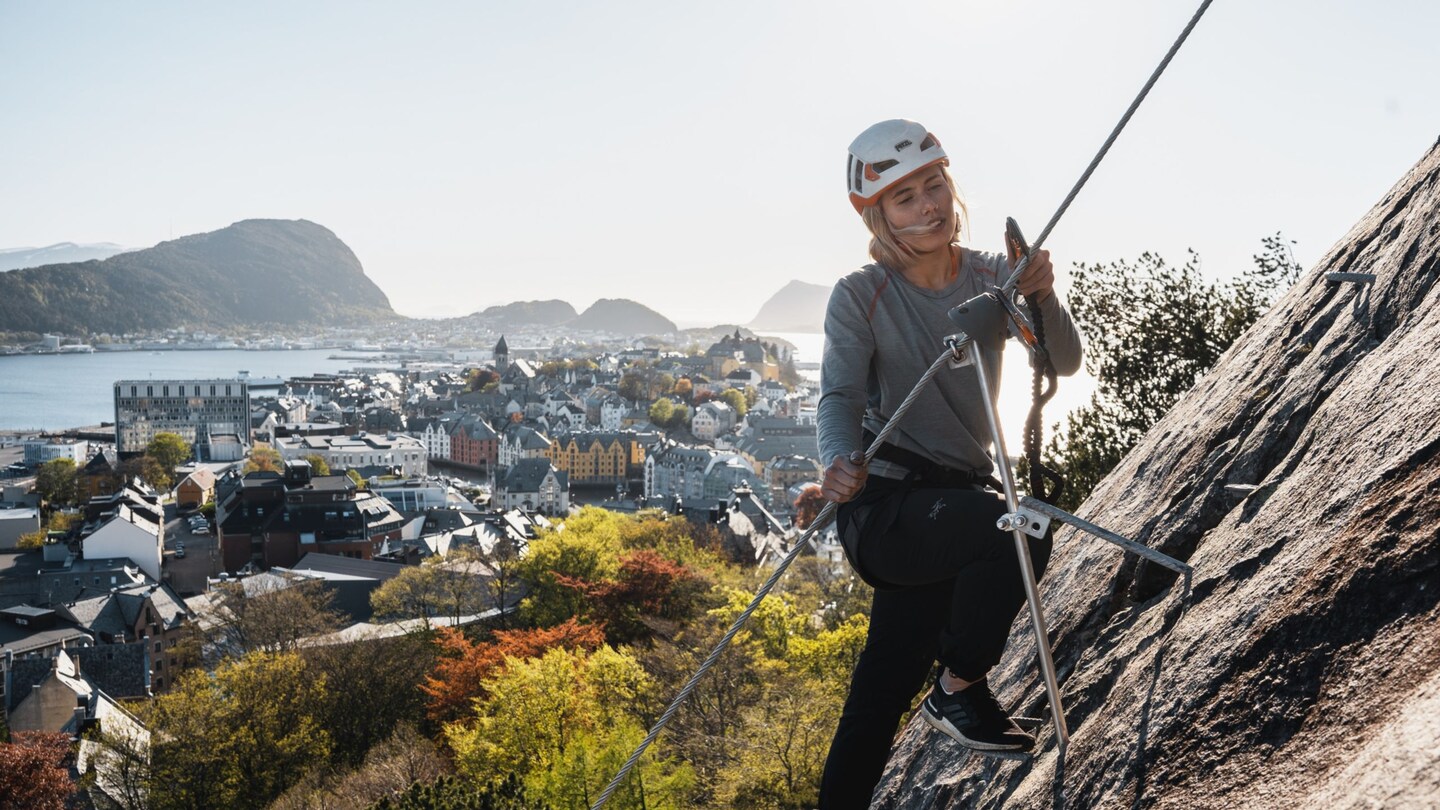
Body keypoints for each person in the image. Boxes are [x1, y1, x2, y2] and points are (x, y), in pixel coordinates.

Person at [816, 119, 1084, 807]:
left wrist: (1042, 294)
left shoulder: (996, 278)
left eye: (934, 186)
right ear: (876, 214)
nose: (928, 205)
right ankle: (960, 687)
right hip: (888, 508)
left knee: (881, 689)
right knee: (1017, 528)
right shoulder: (861, 295)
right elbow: (840, 396)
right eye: (905, 198)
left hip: (952, 505)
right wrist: (837, 462)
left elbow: (1066, 359)